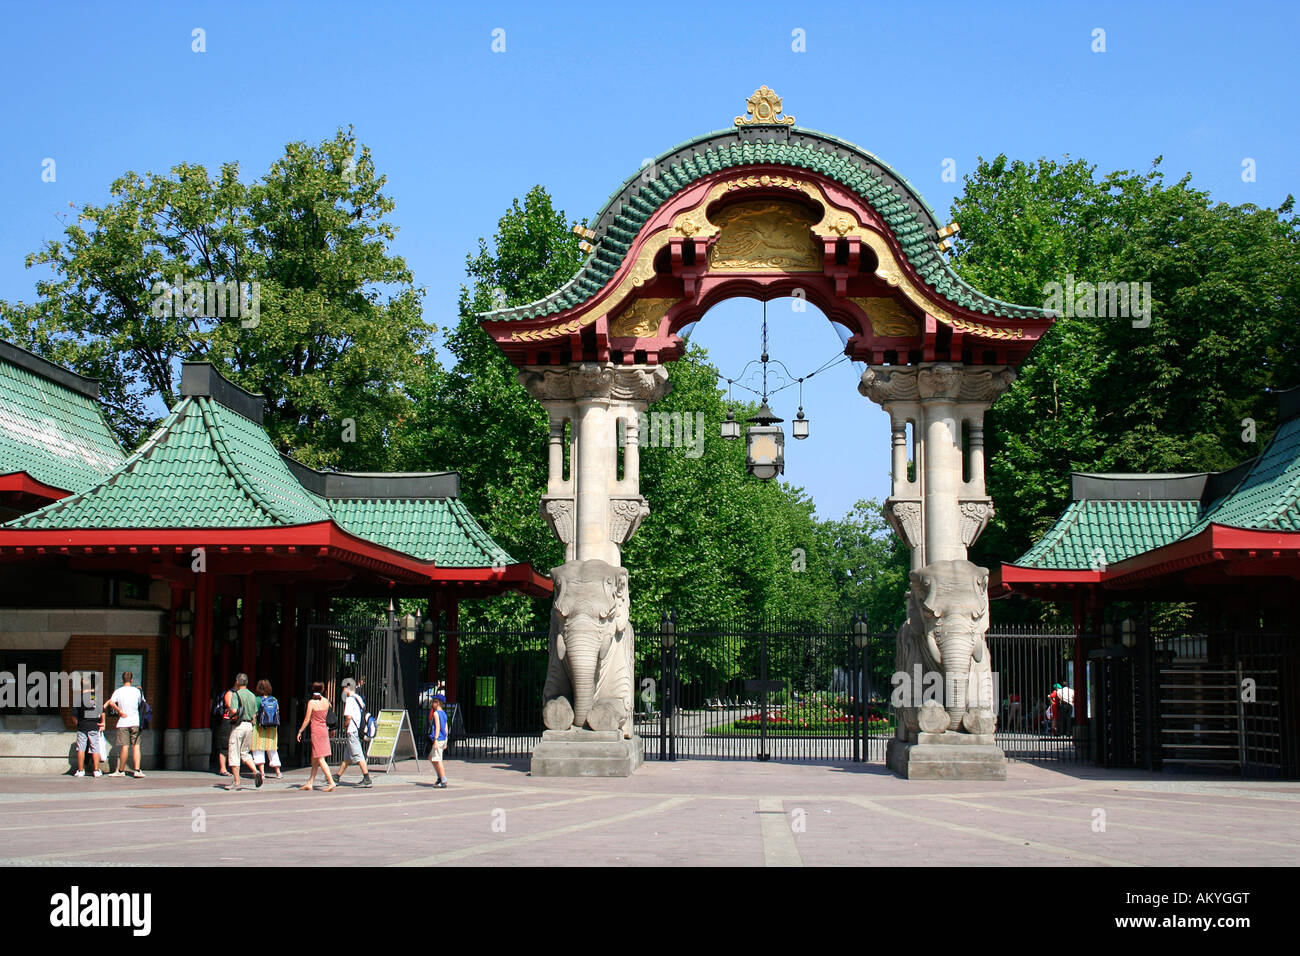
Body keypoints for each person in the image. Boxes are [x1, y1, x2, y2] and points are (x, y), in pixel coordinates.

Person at [223, 673, 263, 791]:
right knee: (245, 753)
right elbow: (255, 713)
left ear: (237, 681)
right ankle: (255, 771)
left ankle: (236, 781)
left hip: (239, 726)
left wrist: (230, 713)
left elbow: (234, 710)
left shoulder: (236, 695)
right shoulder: (252, 695)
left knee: (234, 752)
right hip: (249, 726)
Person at [296, 681, 336, 791]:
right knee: (315, 758)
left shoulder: (312, 703)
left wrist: (300, 731)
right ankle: (310, 782)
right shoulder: (326, 701)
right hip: (324, 730)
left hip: (316, 731)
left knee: (320, 758)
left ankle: (331, 782)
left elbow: (307, 719)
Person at [105, 671, 144, 778]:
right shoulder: (137, 691)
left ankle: (121, 770)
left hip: (123, 722)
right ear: (131, 680)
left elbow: (111, 702)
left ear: (122, 680)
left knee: (124, 747)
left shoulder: (118, 691)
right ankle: (137, 770)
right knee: (136, 746)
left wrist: (120, 711)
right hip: (135, 721)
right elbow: (142, 703)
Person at [335, 677, 373, 788]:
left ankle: (367, 778)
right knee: (347, 756)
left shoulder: (350, 699)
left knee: (358, 754)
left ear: (347, 688)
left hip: (352, 730)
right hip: (357, 729)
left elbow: (348, 716)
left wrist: (345, 725)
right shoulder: (358, 698)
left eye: (343, 689)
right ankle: (337, 776)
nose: (343, 691)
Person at [73, 676, 104, 778]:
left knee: (81, 748)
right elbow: (102, 712)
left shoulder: (79, 698)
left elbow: (74, 716)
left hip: (82, 726)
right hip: (94, 726)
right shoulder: (96, 697)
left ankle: (81, 770)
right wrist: (103, 723)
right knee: (95, 747)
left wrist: (78, 724)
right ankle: (96, 770)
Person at [251, 679, 282, 780]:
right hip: (272, 728)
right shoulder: (274, 699)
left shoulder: (257, 699)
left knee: (258, 749)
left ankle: (262, 773)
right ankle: (278, 772)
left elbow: (254, 713)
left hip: (259, 727)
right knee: (272, 749)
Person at [427, 693, 448, 788]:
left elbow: (438, 727)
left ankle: (443, 779)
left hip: (438, 739)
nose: (432, 704)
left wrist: (435, 740)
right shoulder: (444, 713)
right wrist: (446, 740)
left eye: (434, 702)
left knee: (438, 760)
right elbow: (446, 727)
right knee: (431, 758)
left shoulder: (436, 713)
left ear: (438, 703)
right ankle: (440, 776)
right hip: (443, 739)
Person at [214, 691, 232, 776]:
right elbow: (230, 706)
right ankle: (223, 768)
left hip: (229, 721)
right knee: (224, 746)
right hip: (227, 721)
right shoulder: (230, 693)